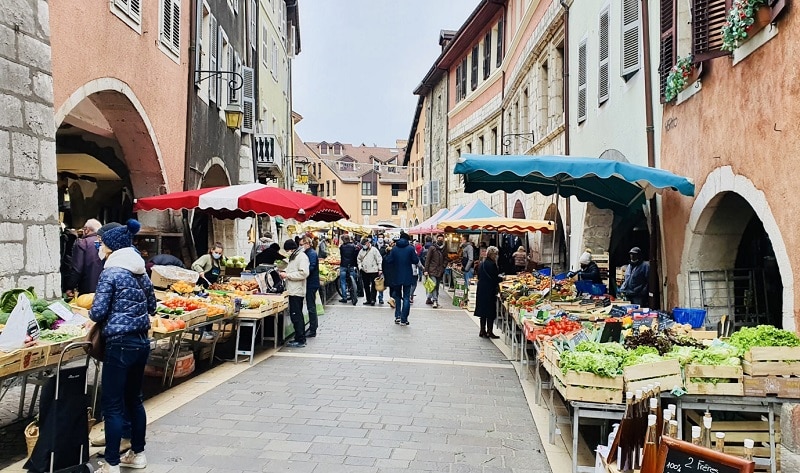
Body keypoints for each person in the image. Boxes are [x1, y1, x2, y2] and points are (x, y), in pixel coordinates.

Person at [89, 219, 154, 472]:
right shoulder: (140, 271)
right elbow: (152, 306)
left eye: (101, 243)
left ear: (111, 246)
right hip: (141, 341)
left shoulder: (111, 272)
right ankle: (138, 454)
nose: (99, 247)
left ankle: (112, 463)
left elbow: (97, 312)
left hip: (119, 344)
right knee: (134, 401)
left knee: (113, 405)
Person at [383, 232, 419, 325]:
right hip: (407, 275)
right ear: (407, 240)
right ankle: (404, 319)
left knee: (398, 297)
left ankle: (397, 316)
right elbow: (416, 260)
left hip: (396, 275)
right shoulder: (411, 249)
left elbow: (389, 260)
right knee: (406, 298)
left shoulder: (394, 249)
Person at [279, 239, 310, 348]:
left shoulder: (301, 257)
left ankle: (300, 339)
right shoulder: (294, 257)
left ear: (292, 249)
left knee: (297, 315)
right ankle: (298, 337)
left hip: (297, 291)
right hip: (292, 290)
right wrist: (285, 273)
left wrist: (287, 275)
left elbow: (304, 273)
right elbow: (292, 269)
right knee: (295, 315)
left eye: (288, 250)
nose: (287, 252)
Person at [65, 218, 104, 298]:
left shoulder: (82, 243)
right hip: (104, 288)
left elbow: (77, 268)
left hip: (87, 288)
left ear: (86, 230)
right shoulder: (106, 243)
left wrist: (70, 286)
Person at [474, 246, 503, 339]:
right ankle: (489, 332)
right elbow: (494, 278)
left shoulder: (482, 263)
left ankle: (482, 330)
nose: (497, 256)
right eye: (496, 254)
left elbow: (479, 275)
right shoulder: (492, 264)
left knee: (482, 311)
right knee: (490, 311)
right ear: (493, 254)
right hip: (489, 290)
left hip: (481, 289)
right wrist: (502, 278)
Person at [300, 237, 320, 338]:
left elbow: (311, 267)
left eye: (301, 244)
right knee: (310, 305)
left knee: (311, 306)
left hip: (311, 284)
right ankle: (312, 327)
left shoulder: (311, 253)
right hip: (310, 283)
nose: (300, 247)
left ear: (307, 244)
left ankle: (313, 329)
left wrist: (302, 272)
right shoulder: (309, 253)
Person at [423, 234, 447, 309]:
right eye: (439, 238)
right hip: (432, 270)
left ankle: (429, 298)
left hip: (440, 270)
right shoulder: (432, 248)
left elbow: (446, 258)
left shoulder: (444, 248)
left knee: (436, 286)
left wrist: (444, 266)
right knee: (433, 284)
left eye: (441, 239)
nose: (440, 240)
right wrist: (426, 270)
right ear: (436, 239)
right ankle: (435, 300)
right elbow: (428, 260)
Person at [357, 237, 382, 306]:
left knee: (374, 286)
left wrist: (380, 269)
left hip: (374, 270)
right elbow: (358, 259)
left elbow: (379, 259)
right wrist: (360, 267)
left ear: (368, 243)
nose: (364, 246)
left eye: (364, 244)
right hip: (364, 271)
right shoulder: (361, 251)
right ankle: (368, 299)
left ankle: (373, 299)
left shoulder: (374, 250)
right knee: (366, 285)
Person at [338, 234, 358, 303]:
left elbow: (341, 255)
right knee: (354, 280)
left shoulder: (341, 247)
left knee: (343, 281)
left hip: (343, 265)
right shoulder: (353, 246)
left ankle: (344, 297)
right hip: (351, 265)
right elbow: (355, 256)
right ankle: (354, 292)